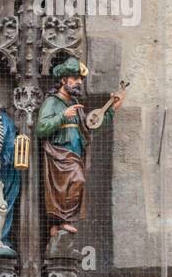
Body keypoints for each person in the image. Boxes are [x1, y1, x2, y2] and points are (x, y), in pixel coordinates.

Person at [35, 58, 121, 240]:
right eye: (75, 78)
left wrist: (112, 109)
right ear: (64, 80)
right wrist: (62, 116)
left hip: (75, 154)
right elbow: (41, 128)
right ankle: (60, 220)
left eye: (80, 79)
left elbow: (90, 124)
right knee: (75, 181)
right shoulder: (53, 102)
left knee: (74, 184)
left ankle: (59, 224)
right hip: (59, 154)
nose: (79, 82)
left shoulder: (75, 103)